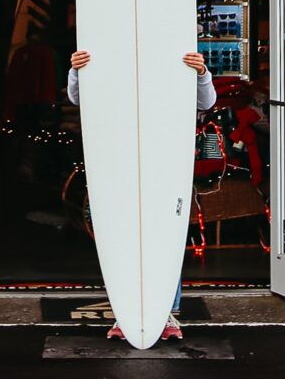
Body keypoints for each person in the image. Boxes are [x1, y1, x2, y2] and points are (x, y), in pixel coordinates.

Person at [68, 49, 217, 342]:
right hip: (119, 163)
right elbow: (79, 98)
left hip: (165, 163)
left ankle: (166, 311)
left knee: (165, 238)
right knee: (123, 238)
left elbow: (207, 101)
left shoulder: (173, 59)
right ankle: (126, 312)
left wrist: (201, 73)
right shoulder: (116, 59)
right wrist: (76, 72)